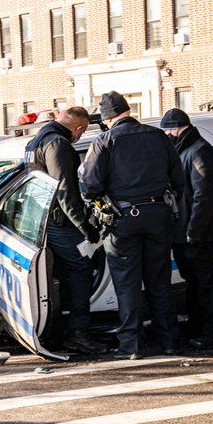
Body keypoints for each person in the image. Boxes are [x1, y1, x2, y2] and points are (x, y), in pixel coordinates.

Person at [81, 92, 185, 359]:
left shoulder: (104, 141)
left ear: (106, 119)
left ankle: (130, 346)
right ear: (128, 111)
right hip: (159, 215)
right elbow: (179, 178)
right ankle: (169, 341)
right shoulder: (158, 136)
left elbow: (90, 186)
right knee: (159, 281)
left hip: (123, 220)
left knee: (127, 285)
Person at [24, 107, 105, 354]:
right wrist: (84, 226)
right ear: (79, 128)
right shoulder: (58, 145)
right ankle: (78, 333)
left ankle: (54, 329)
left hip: (39, 218)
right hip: (59, 221)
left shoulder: (34, 141)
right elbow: (64, 191)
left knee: (57, 273)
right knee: (82, 268)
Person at [161, 108, 213, 350]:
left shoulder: (200, 151)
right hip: (185, 231)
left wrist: (194, 230)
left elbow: (204, 195)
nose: (166, 134)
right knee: (194, 283)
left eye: (168, 130)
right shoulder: (186, 150)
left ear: (178, 128)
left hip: (198, 233)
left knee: (206, 283)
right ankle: (197, 327)